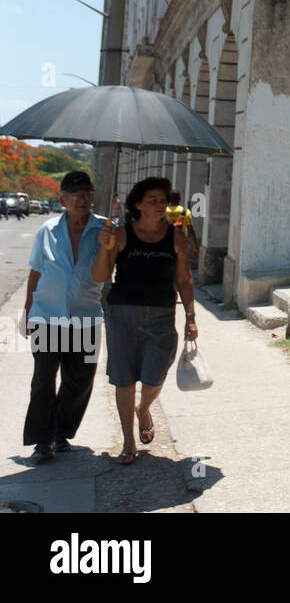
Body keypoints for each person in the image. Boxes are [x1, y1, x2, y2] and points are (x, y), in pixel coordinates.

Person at [93, 176, 197, 465]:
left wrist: (190, 316)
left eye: (163, 201)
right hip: (122, 314)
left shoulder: (175, 237)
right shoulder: (120, 234)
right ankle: (128, 443)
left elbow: (185, 280)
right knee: (124, 379)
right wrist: (105, 245)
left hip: (162, 314)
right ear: (137, 204)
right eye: (152, 200)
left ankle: (145, 408)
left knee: (155, 374)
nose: (160, 205)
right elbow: (100, 276)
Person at [21, 171, 105, 463]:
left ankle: (60, 433)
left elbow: (108, 270)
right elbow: (35, 271)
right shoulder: (47, 230)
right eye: (77, 195)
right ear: (63, 200)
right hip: (47, 315)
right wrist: (27, 311)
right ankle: (41, 441)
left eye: (88, 194)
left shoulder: (105, 230)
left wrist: (111, 244)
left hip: (85, 317)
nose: (83, 200)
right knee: (43, 379)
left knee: (79, 382)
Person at [165, 192, 199, 269]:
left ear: (169, 200)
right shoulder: (185, 212)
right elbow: (190, 231)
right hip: (180, 244)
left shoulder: (163, 212)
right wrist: (195, 247)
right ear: (179, 199)